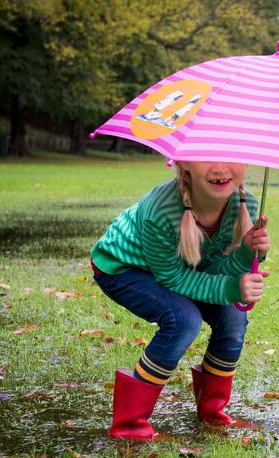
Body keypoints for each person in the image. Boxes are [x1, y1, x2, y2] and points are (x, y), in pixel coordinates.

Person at [90, 161, 269, 440]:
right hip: (125, 267)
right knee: (183, 320)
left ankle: (212, 413)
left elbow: (215, 267)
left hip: (186, 268)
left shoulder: (246, 206)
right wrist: (234, 288)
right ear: (185, 163)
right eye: (207, 156)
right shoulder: (160, 209)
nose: (220, 168)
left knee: (234, 318)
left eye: (229, 156)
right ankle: (130, 425)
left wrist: (248, 253)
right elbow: (174, 279)